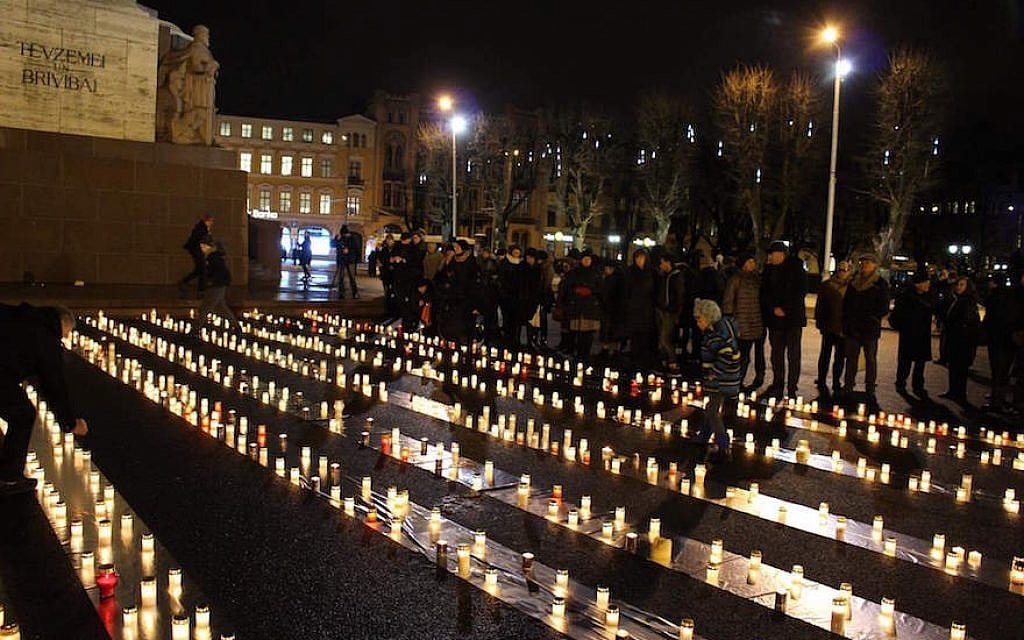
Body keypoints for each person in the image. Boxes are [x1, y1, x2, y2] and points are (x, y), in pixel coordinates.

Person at [1, 304, 89, 495]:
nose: (65, 337)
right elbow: (54, 386)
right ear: (62, 323)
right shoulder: (46, 339)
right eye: (67, 332)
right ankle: (9, 478)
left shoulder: (25, 316)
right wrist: (70, 423)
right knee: (23, 414)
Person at [692, 298, 741, 462]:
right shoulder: (719, 329)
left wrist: (714, 372)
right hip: (725, 378)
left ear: (708, 318)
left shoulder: (717, 336)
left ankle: (723, 443)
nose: (697, 323)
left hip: (721, 380)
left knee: (712, 411)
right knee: (710, 408)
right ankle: (703, 436)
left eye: (699, 319)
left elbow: (727, 355)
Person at [760, 240, 807, 398]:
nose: (770, 257)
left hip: (793, 320)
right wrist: (773, 308)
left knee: (793, 356)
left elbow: (799, 292)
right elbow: (764, 293)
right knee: (777, 355)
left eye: (772, 253)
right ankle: (778, 384)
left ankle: (792, 387)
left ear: (782, 254)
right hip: (775, 321)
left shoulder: (796, 269)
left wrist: (785, 309)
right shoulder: (768, 271)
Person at [841, 253, 890, 402]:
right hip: (853, 328)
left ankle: (870, 387)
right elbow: (846, 304)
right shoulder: (854, 282)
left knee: (870, 359)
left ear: (874, 265)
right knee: (851, 359)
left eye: (868, 263)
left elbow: (884, 306)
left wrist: (873, 317)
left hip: (870, 328)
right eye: (862, 263)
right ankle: (848, 385)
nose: (864, 265)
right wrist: (847, 321)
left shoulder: (880, 284)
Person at [723, 251, 765, 391]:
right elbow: (728, 301)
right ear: (743, 264)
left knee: (757, 354)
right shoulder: (736, 279)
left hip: (756, 322)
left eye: (753, 261)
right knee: (742, 355)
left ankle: (757, 378)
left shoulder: (757, 279)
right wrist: (731, 321)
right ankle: (738, 381)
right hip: (742, 323)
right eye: (750, 261)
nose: (753, 264)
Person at [889, 271, 934, 396]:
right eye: (925, 282)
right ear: (918, 284)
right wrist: (903, 326)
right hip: (909, 333)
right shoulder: (906, 296)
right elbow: (897, 315)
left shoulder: (928, 296)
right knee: (905, 361)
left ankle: (918, 385)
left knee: (920, 362)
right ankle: (901, 383)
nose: (928, 285)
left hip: (923, 334)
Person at [813, 260, 851, 395]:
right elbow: (820, 305)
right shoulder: (827, 285)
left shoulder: (852, 287)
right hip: (828, 326)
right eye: (840, 269)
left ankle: (836, 381)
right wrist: (820, 322)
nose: (842, 272)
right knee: (825, 354)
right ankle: (822, 379)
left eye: (845, 270)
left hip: (843, 328)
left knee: (840, 357)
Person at [941, 276, 980, 405]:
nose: (958, 287)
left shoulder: (968, 301)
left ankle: (960, 394)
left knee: (961, 369)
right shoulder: (957, 299)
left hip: (962, 340)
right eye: (958, 284)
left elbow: (967, 320)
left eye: (962, 285)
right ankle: (953, 391)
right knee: (953, 366)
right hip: (955, 338)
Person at [560, 249, 603, 360]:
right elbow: (567, 287)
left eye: (589, 259)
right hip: (576, 307)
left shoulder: (596, 273)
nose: (587, 261)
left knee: (587, 334)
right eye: (585, 259)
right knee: (574, 332)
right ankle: (574, 352)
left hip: (590, 308)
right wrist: (576, 290)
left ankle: (585, 353)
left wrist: (591, 291)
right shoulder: (574, 272)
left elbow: (601, 289)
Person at [193, 240, 239, 332]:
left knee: (205, 308)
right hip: (218, 285)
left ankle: (196, 328)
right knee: (221, 307)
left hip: (216, 286)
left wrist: (210, 281)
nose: (202, 249)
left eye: (204, 246)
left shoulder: (213, 257)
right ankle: (236, 326)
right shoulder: (212, 257)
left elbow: (217, 272)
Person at [625, 249, 656, 370]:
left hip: (647, 308)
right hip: (634, 308)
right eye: (637, 258)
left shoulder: (651, 272)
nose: (639, 260)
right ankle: (634, 359)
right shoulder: (630, 272)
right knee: (634, 336)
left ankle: (644, 360)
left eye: (642, 257)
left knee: (645, 336)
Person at [654, 253, 686, 372]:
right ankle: (664, 361)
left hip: (670, 311)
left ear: (668, 262)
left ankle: (673, 361)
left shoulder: (675, 276)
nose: (660, 265)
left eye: (662, 262)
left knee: (665, 338)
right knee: (662, 337)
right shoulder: (665, 276)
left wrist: (677, 312)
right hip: (662, 309)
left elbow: (679, 295)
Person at [179, 213, 214, 295]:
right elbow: (198, 240)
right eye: (211, 221)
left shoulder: (201, 228)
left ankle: (185, 282)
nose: (211, 223)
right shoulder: (201, 228)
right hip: (197, 251)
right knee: (202, 269)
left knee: (199, 269)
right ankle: (201, 289)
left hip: (197, 250)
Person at [599, 261, 627, 359]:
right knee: (610, 331)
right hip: (611, 308)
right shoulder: (615, 278)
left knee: (611, 331)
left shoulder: (614, 279)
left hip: (613, 309)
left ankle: (611, 350)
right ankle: (611, 350)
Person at [332, 226, 360, 299]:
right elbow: (333, 245)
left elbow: (356, 249)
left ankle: (354, 292)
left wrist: (349, 250)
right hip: (342, 260)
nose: (345, 235)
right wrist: (336, 239)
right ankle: (342, 293)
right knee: (341, 277)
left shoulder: (352, 239)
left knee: (351, 277)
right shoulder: (341, 238)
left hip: (350, 260)